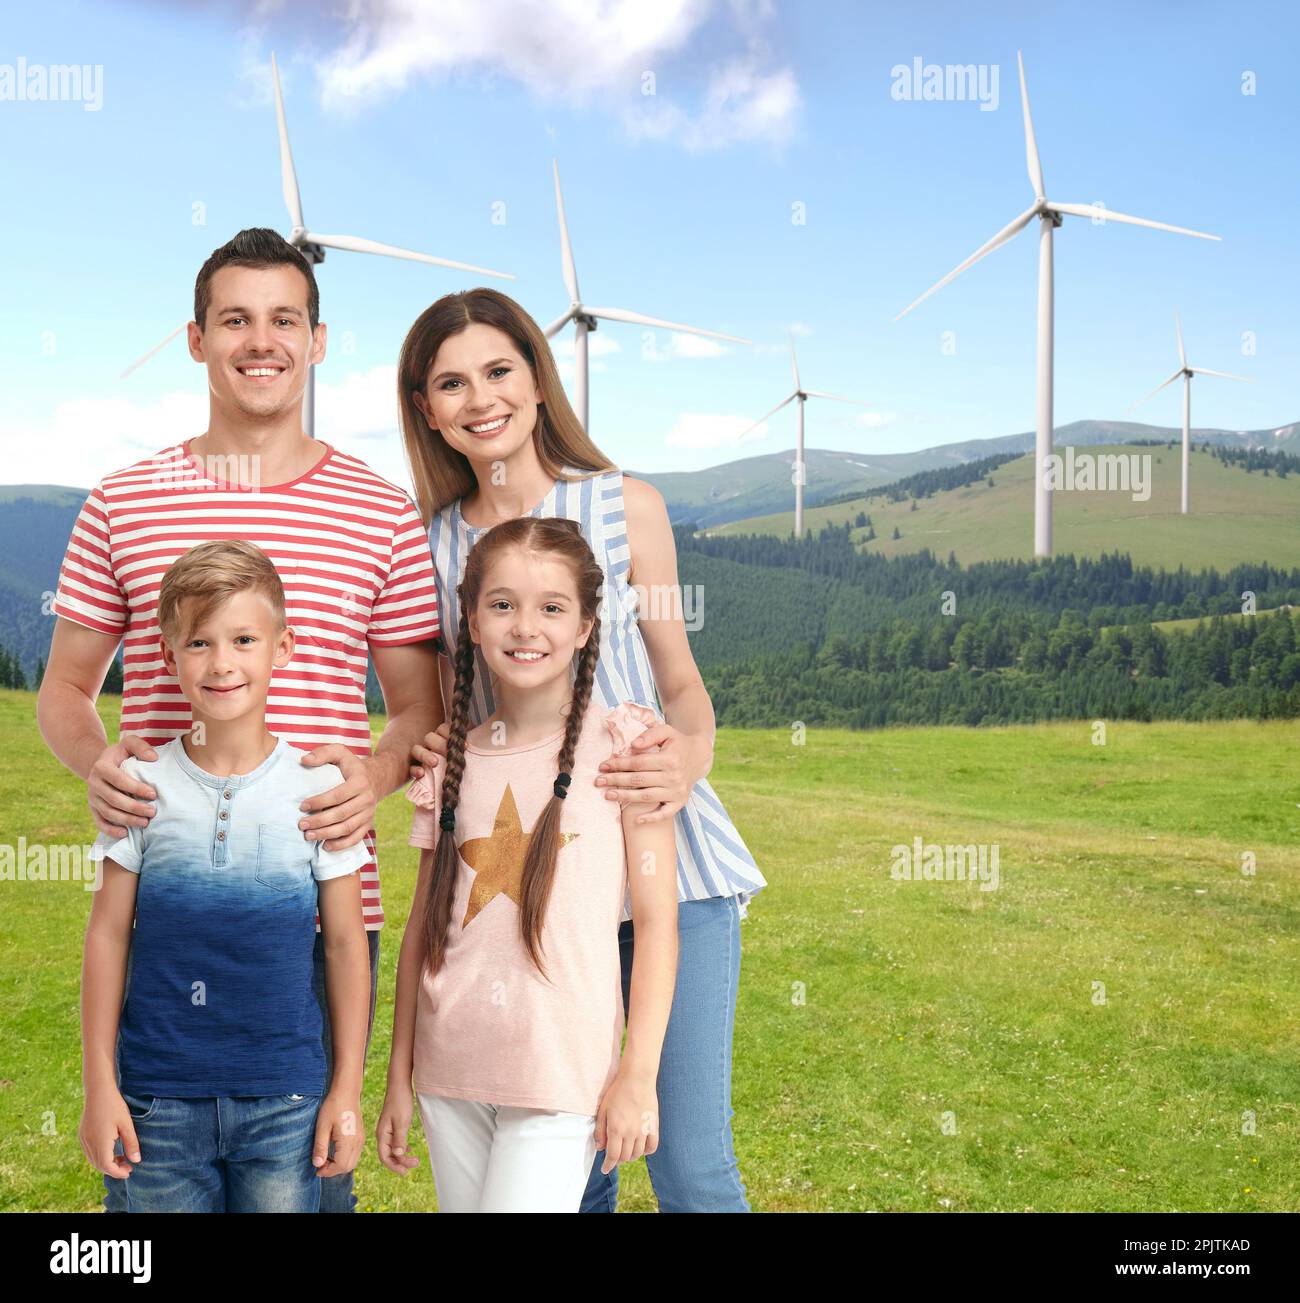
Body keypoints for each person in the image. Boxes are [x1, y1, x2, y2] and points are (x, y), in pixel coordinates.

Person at [38, 227, 443, 1213]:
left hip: (321, 913)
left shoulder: (380, 510)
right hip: (166, 905)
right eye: (234, 320)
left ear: (316, 341)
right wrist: (101, 765)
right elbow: (63, 694)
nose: (259, 341)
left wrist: (372, 781)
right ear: (195, 338)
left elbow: (420, 707)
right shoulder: (122, 502)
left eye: (282, 320)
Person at [397, 287, 766, 1211]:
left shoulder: (626, 506)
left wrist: (689, 754)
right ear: (425, 408)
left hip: (659, 861)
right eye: (451, 382)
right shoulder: (434, 541)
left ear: (537, 379)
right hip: (531, 870)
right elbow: (462, 705)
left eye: (498, 371)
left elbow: (680, 680)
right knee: (572, 1164)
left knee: (684, 1159)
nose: (480, 398)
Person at [377, 517, 679, 1211]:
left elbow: (658, 925)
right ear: (473, 622)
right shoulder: (451, 761)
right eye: (503, 604)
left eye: (551, 607)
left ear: (584, 625)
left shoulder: (628, 748)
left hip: (560, 1074)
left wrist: (638, 1072)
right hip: (451, 1067)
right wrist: (401, 1074)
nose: (525, 626)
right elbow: (421, 931)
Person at [78, 541, 371, 1211]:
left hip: (285, 1102)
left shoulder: (319, 788)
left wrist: (345, 1091)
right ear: (167, 653)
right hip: (156, 1100)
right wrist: (101, 1084)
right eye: (200, 642)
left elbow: (346, 944)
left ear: (283, 646)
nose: (222, 663)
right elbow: (108, 936)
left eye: (244, 638)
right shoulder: (138, 787)